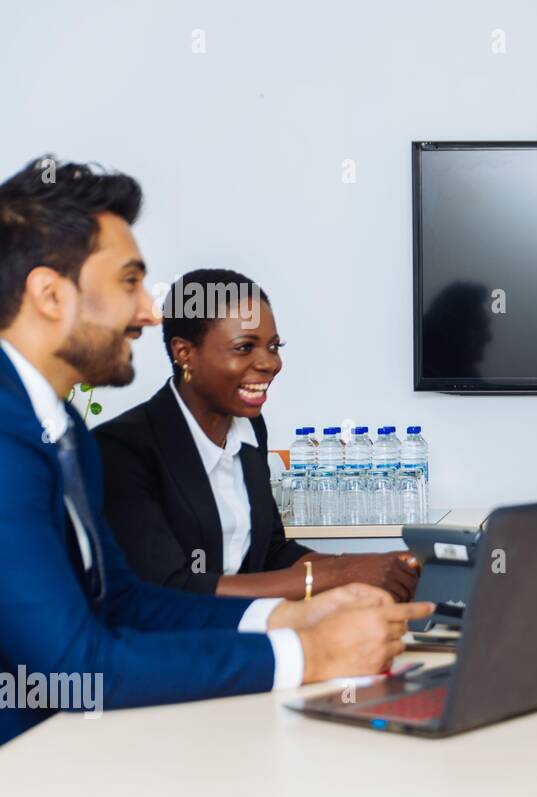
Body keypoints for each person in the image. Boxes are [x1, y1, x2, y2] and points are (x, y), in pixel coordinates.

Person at [0, 157, 432, 745]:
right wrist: (304, 655)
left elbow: (127, 603)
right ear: (50, 294)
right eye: (129, 282)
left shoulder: (62, 427)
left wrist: (286, 617)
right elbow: (75, 669)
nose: (149, 312)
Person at [93, 268, 420, 601]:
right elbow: (168, 589)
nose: (270, 363)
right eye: (244, 348)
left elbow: (272, 553)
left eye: (274, 346)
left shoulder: (249, 429)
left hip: (250, 635)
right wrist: (339, 574)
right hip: (176, 645)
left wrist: (372, 567)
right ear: (184, 353)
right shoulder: (121, 450)